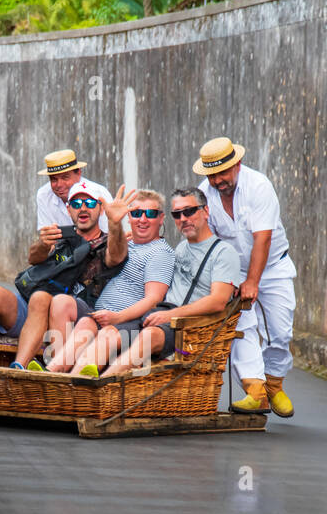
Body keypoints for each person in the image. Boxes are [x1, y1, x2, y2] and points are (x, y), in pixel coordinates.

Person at [0, 182, 127, 366]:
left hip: (72, 315)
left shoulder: (107, 242)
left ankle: (19, 368)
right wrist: (43, 243)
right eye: (77, 204)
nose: (83, 208)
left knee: (41, 297)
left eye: (90, 203)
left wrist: (115, 223)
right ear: (68, 209)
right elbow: (34, 258)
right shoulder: (61, 237)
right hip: (35, 311)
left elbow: (117, 256)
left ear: (101, 209)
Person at [195, 137, 297, 416]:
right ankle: (255, 390)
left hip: (273, 266)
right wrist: (223, 278)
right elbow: (210, 238)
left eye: (222, 173)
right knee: (241, 328)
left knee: (280, 331)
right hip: (235, 268)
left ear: (237, 164)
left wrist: (253, 281)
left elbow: (262, 238)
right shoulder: (205, 194)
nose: (217, 181)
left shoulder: (259, 186)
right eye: (212, 175)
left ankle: (274, 383)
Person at [99, 188, 241, 378]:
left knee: (148, 337)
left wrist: (171, 315)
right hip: (157, 318)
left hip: (188, 328)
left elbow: (218, 301)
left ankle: (103, 385)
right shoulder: (181, 248)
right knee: (107, 333)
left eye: (189, 211)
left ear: (206, 211)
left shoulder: (224, 252)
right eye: (177, 214)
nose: (183, 218)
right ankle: (75, 383)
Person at [41, 188, 175, 376]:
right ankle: (54, 372)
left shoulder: (160, 253)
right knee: (62, 303)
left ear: (161, 219)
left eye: (150, 214)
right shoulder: (126, 242)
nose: (142, 219)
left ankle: (72, 381)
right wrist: (115, 223)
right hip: (99, 313)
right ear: (129, 218)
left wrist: (117, 317)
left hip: (127, 321)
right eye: (136, 213)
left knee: (103, 332)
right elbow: (113, 255)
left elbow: (153, 299)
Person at [35, 149, 113, 234]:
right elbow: (47, 236)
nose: (59, 184)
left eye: (65, 177)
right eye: (54, 180)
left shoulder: (100, 194)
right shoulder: (44, 195)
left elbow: (108, 235)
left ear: (78, 173)